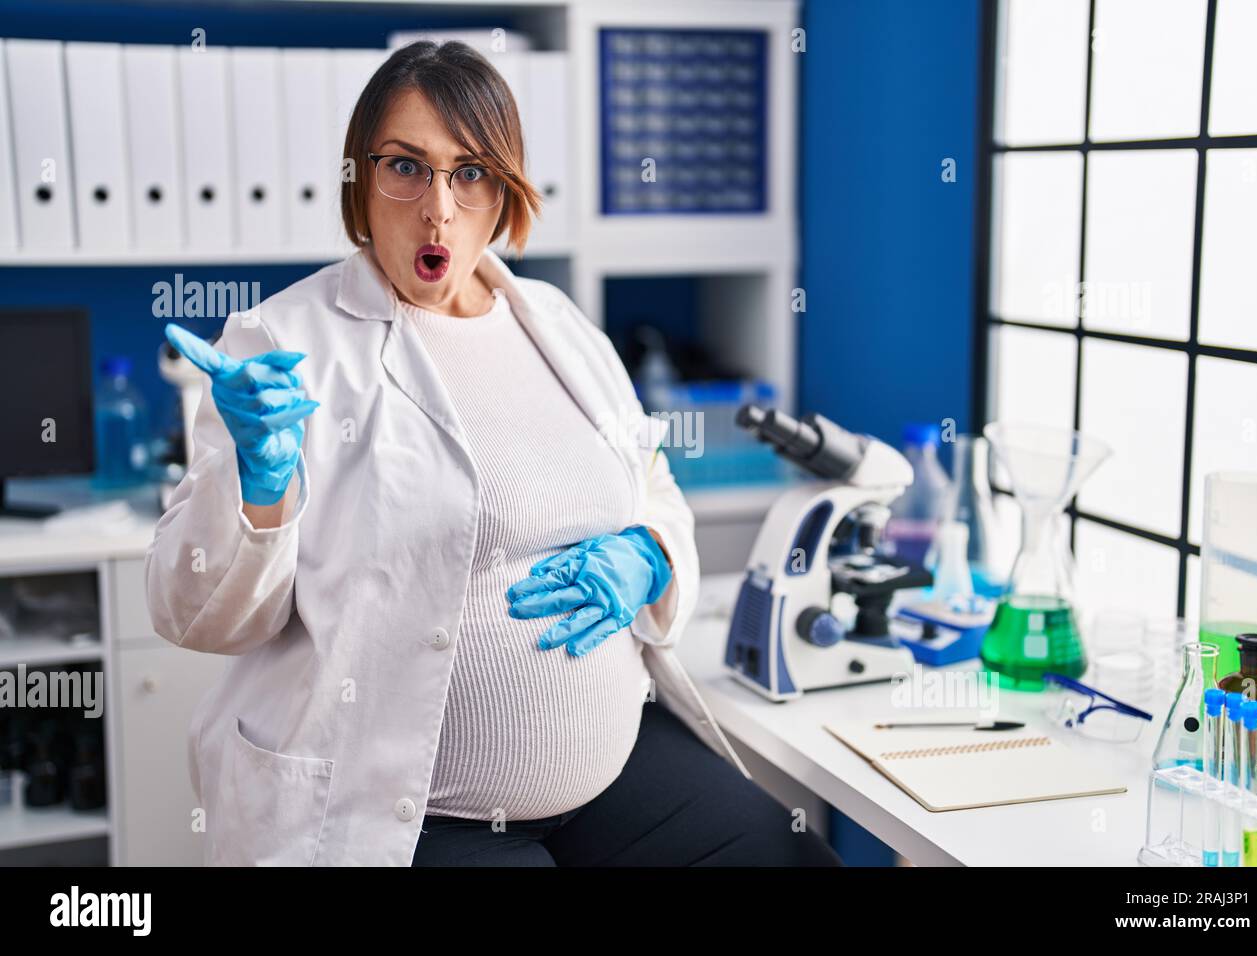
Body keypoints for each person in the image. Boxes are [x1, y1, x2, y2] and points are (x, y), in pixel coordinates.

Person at [147, 40, 842, 867]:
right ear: (359, 181)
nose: (438, 208)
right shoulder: (285, 341)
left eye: (471, 172)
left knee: (782, 853)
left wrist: (648, 557)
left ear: (503, 190)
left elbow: (652, 488)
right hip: (412, 808)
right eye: (406, 166)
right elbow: (192, 612)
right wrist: (257, 491)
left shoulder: (556, 322)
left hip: (612, 771)